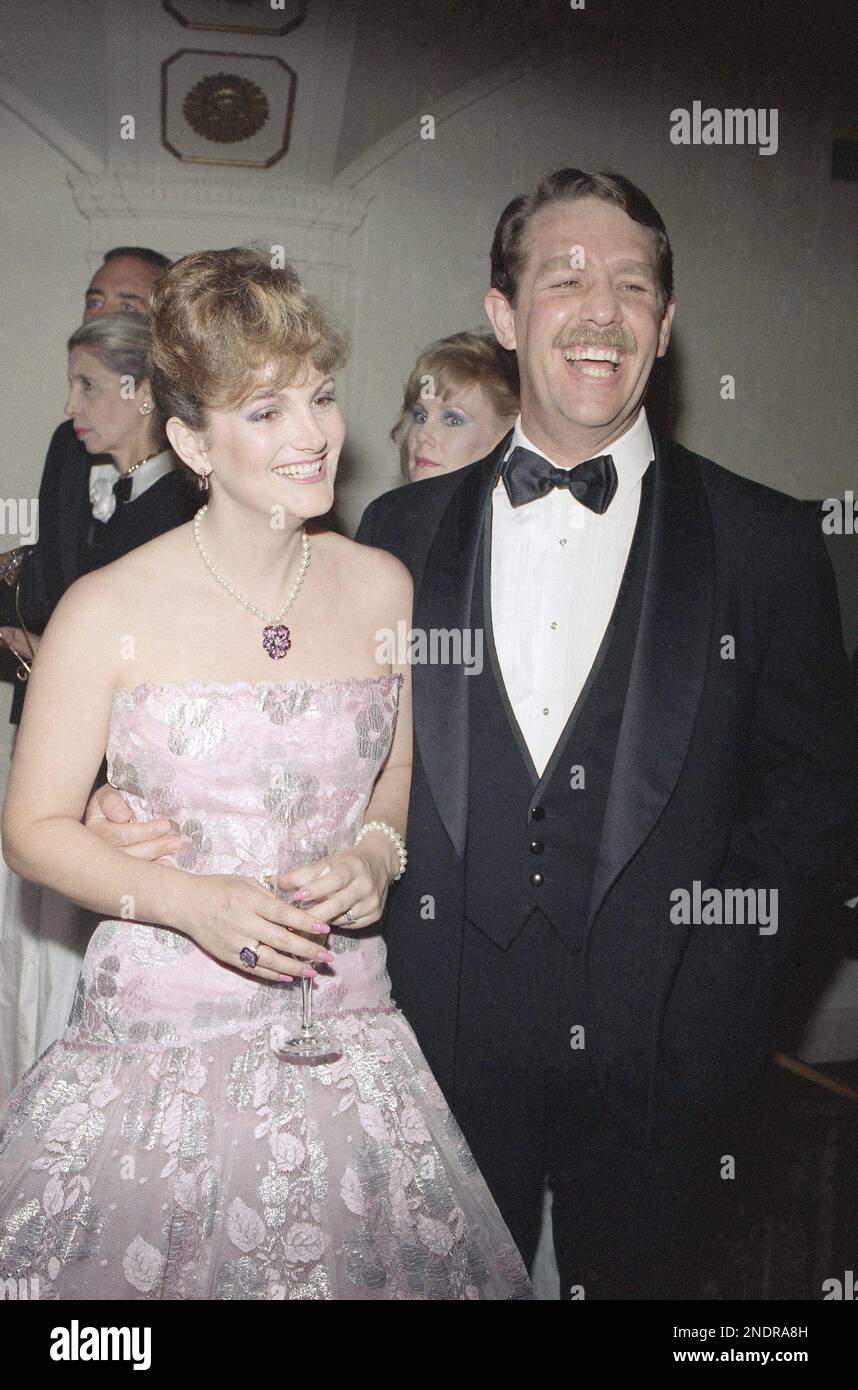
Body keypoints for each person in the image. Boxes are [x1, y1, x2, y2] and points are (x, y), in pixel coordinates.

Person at [352, 169, 858, 1298]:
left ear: (666, 328)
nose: (600, 309)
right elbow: (342, 759)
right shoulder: (400, 528)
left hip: (666, 1067)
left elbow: (817, 803)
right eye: (565, 276)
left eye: (633, 285)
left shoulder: (767, 542)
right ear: (502, 312)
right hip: (438, 1045)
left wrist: (721, 988)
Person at [0, 248, 532, 1301]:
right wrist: (187, 900)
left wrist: (378, 854)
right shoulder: (105, 609)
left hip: (344, 1030)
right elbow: (32, 826)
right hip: (161, 1029)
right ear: (192, 437)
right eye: (265, 411)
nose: (312, 435)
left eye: (321, 396)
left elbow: (401, 764)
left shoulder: (383, 586)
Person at [0, 247, 196, 725]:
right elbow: (51, 569)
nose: (105, 314)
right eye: (95, 300)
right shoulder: (69, 444)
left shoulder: (193, 492)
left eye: (128, 306)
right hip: (53, 710)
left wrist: (61, 652)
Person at [390, 331, 518, 483]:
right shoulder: (384, 507)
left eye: (453, 420)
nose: (422, 435)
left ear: (507, 437)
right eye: (421, 417)